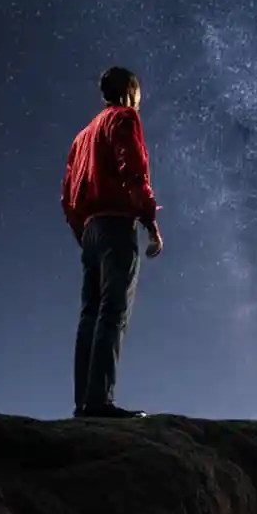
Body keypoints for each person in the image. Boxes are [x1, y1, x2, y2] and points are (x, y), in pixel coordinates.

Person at [61, 66, 164, 418]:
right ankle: (99, 401)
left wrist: (84, 234)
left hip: (90, 229)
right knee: (113, 311)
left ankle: (84, 403)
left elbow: (67, 195)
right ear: (130, 91)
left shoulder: (81, 136)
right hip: (117, 224)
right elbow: (133, 168)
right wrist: (149, 220)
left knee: (90, 313)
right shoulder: (124, 118)